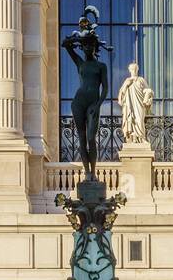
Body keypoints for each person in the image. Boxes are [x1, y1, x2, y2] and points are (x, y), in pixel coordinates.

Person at [64, 28, 109, 175]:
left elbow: (105, 88)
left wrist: (98, 105)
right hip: (78, 102)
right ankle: (88, 173)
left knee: (91, 138)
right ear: (83, 47)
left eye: (91, 45)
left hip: (92, 104)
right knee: (82, 140)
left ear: (95, 47)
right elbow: (64, 44)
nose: (88, 48)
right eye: (86, 45)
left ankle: (93, 172)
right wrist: (79, 39)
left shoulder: (101, 66)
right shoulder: (80, 63)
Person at [117, 62, 153, 144]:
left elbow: (147, 90)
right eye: (132, 69)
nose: (134, 70)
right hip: (130, 106)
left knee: (139, 120)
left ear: (137, 70)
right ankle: (132, 138)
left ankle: (141, 138)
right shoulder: (127, 81)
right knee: (131, 120)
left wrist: (148, 94)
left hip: (139, 104)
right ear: (129, 70)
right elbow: (121, 94)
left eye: (135, 69)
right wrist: (126, 85)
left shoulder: (141, 80)